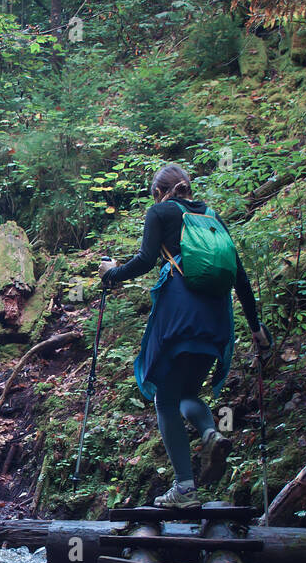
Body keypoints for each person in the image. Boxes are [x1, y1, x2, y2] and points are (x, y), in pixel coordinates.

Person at [99, 163, 272, 508]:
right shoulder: (213, 217)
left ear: (160, 192)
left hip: (180, 312)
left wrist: (111, 273)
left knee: (165, 398)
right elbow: (240, 277)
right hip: (218, 317)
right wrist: (255, 328)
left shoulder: (160, 212)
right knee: (188, 392)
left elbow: (147, 259)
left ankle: (185, 489)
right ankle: (210, 434)